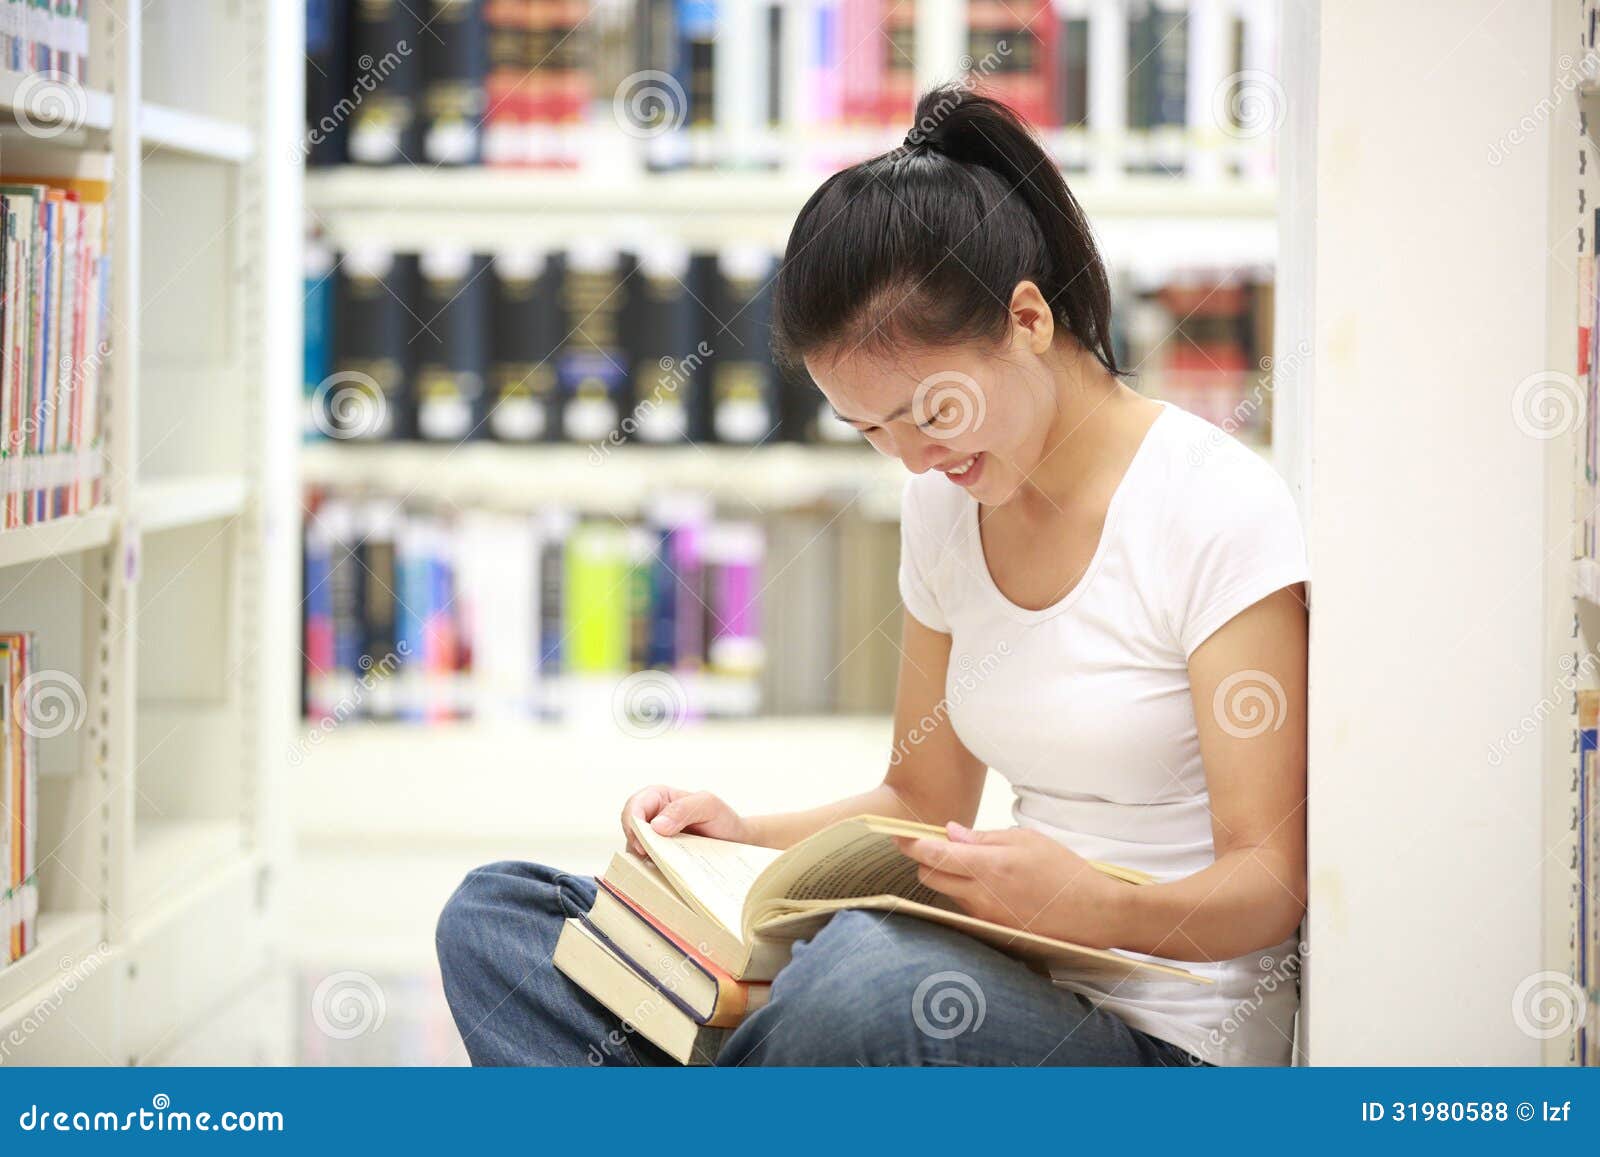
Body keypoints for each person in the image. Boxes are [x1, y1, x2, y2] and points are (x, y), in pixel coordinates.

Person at [436, 85, 1309, 1068]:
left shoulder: (1215, 508)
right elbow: (919, 798)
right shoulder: (947, 506)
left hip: (1160, 1045)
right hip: (979, 980)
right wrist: (741, 834)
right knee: (503, 919)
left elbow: (1270, 881)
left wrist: (1091, 902)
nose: (911, 460)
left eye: (929, 413)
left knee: (865, 981)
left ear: (1026, 318)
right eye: (871, 430)